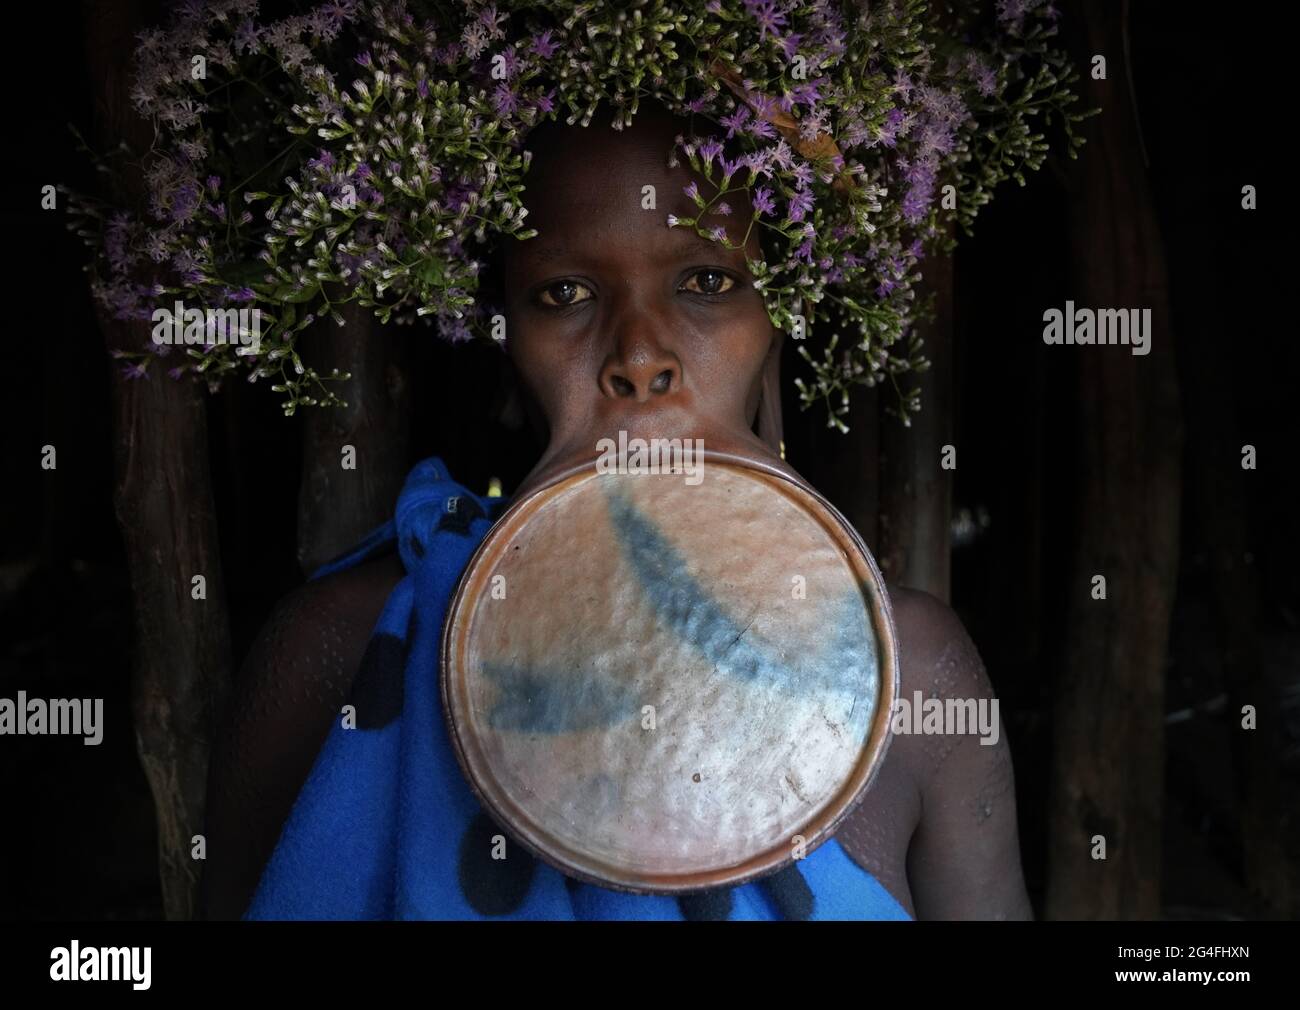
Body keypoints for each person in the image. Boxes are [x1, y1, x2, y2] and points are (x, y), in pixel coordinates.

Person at [198, 103, 1033, 921]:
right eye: (564, 293)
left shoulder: (911, 675)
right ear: (503, 347)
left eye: (706, 282)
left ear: (774, 331)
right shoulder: (340, 649)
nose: (640, 357)